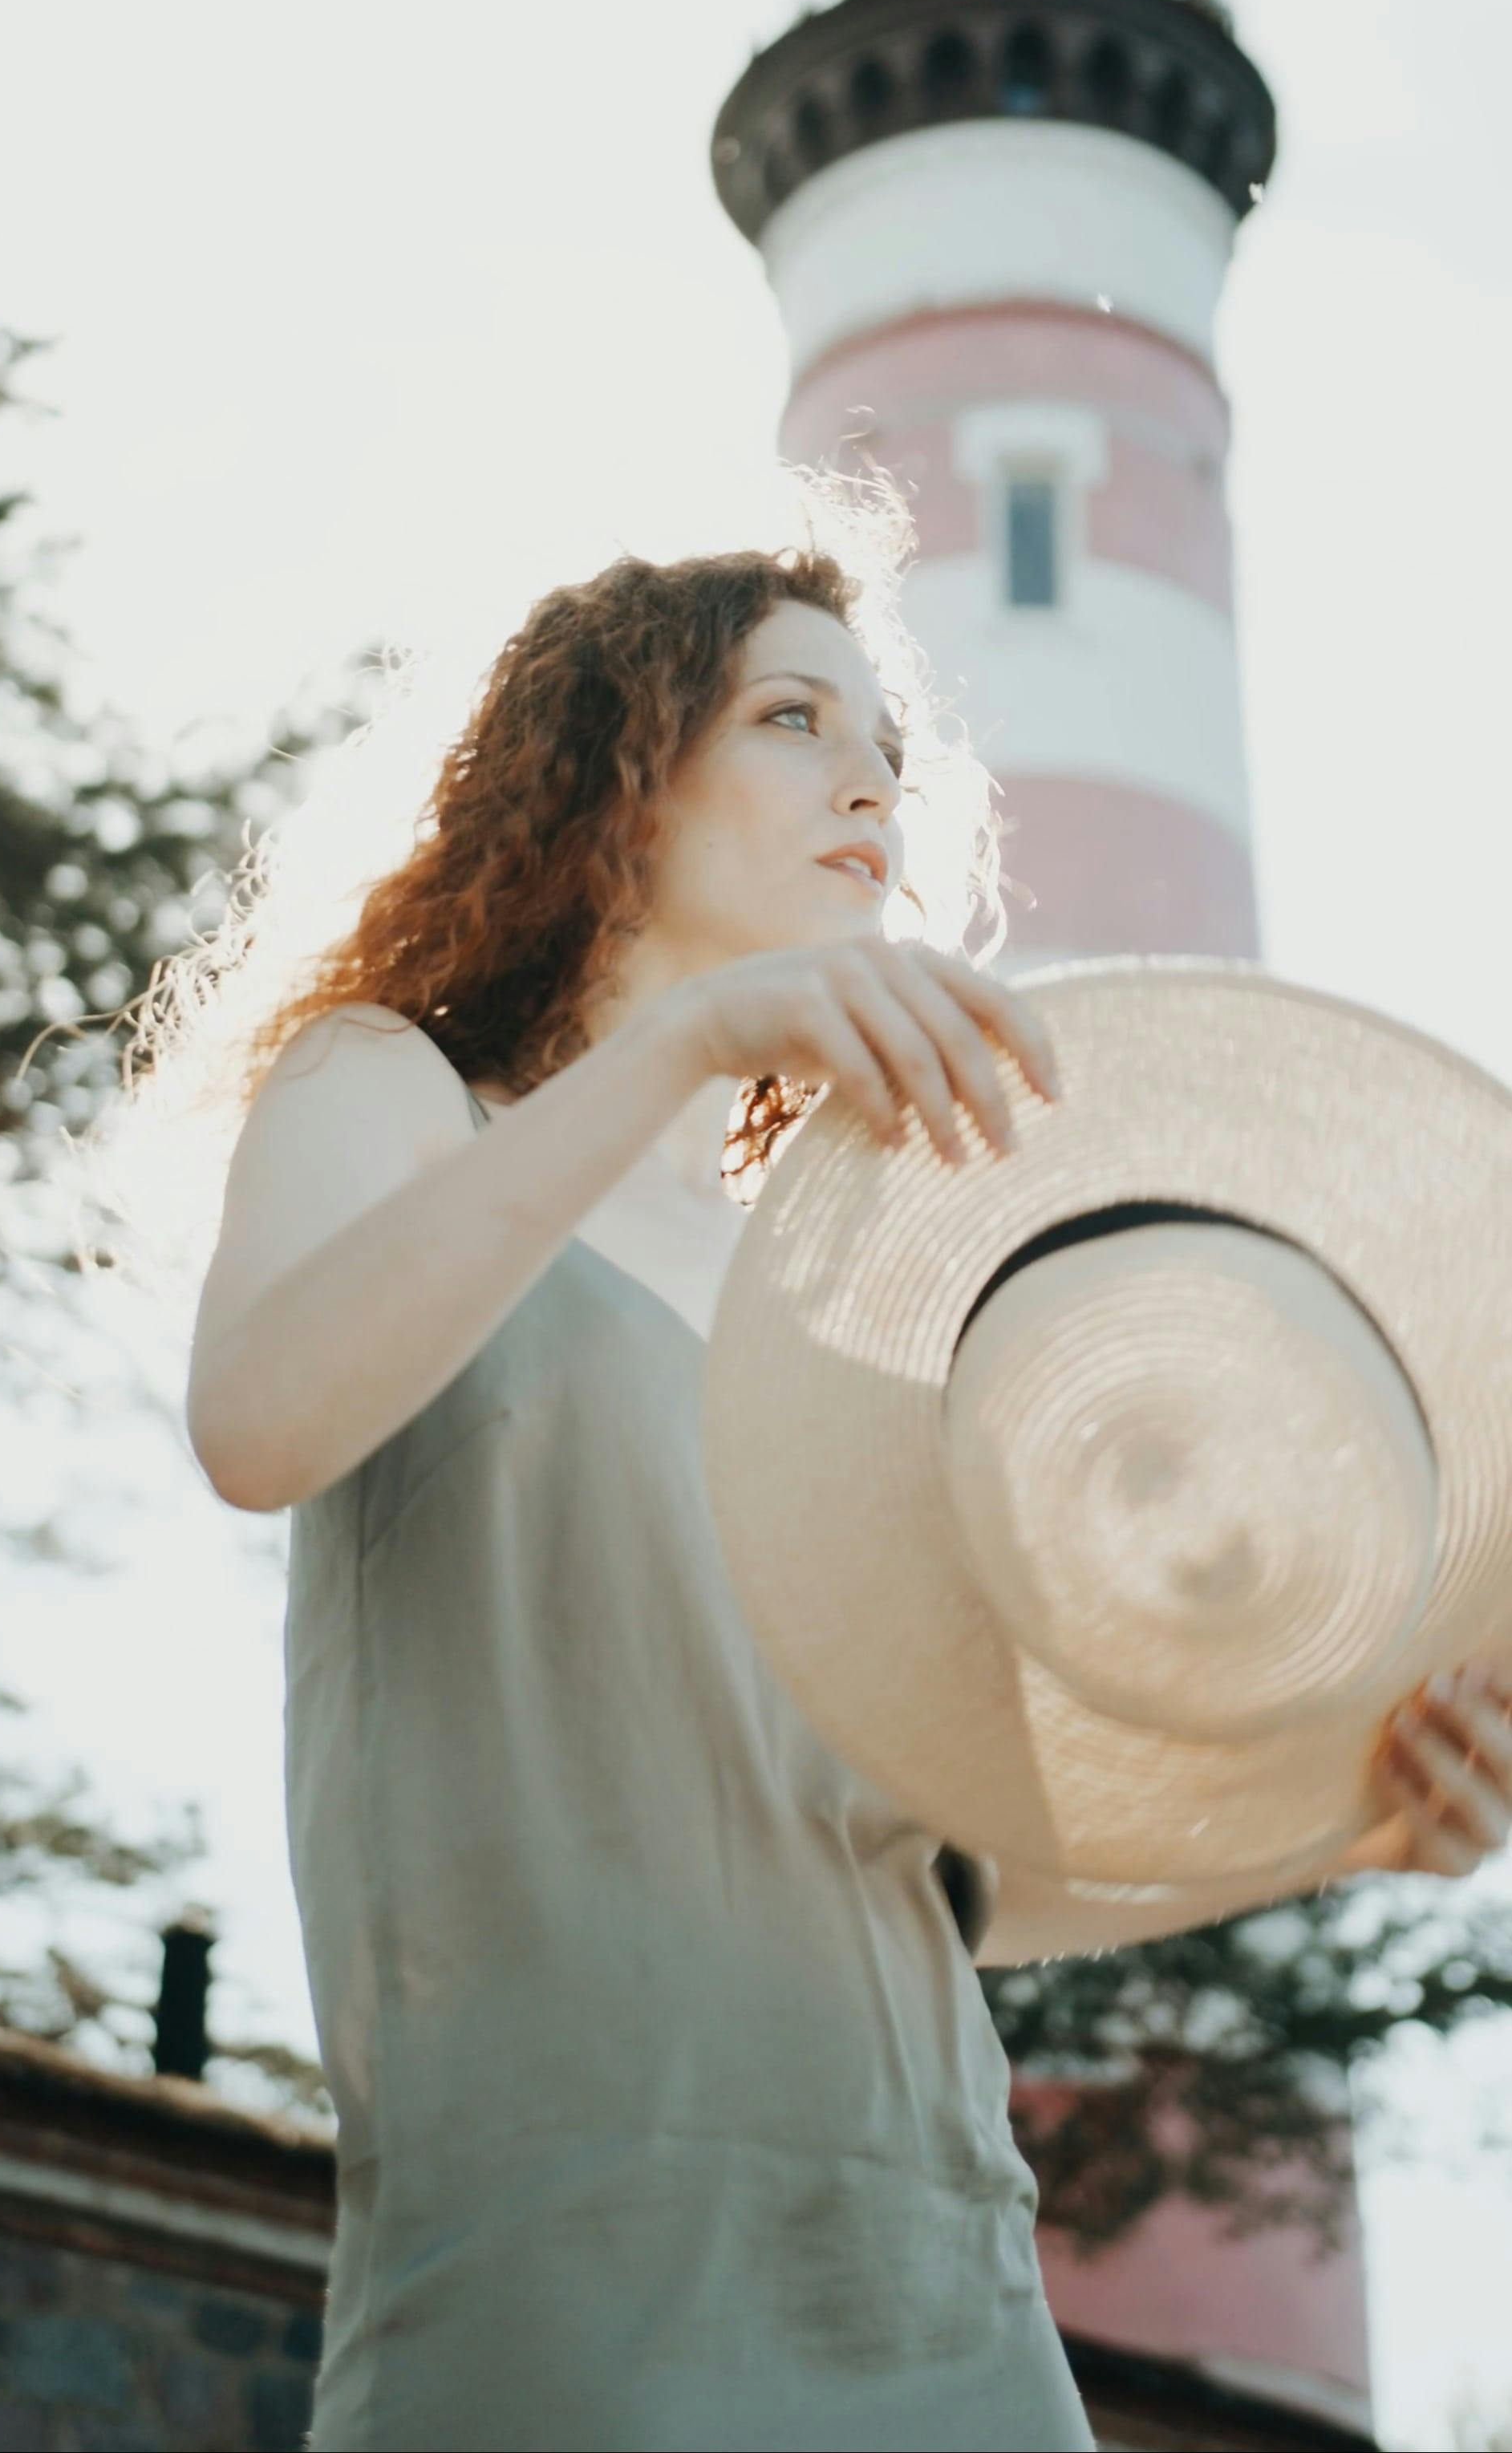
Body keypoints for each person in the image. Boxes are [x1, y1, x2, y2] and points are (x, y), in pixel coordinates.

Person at [179, 533, 1512, 2453]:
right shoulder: (386, 1085)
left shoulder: (828, 1314)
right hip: (561, 2274)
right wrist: (682, 1042)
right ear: (609, 774)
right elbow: (257, 1423)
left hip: (940, 2279)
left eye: (887, 747)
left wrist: (1343, 1829)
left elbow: (937, 1857)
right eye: (792, 719)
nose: (871, 784)